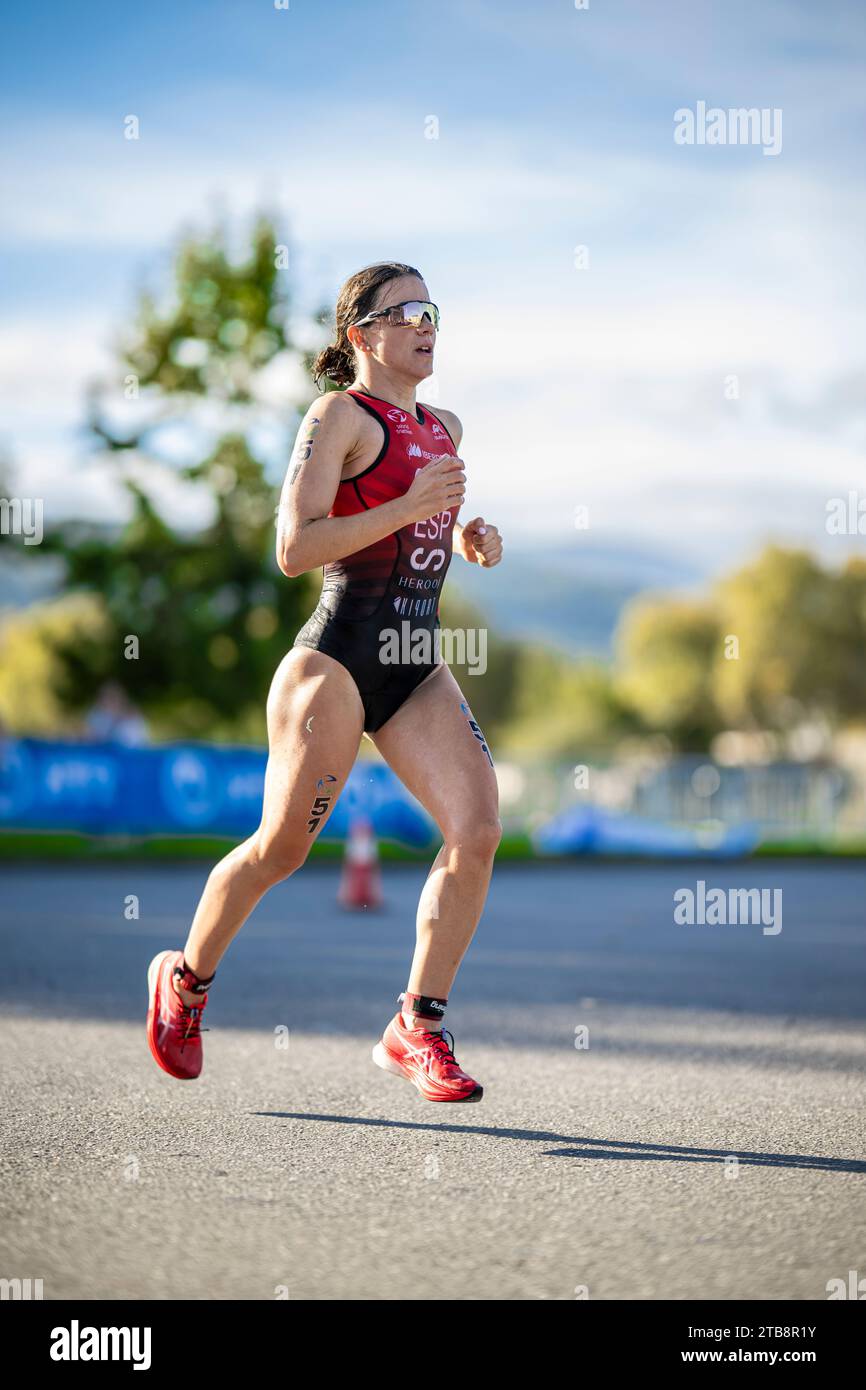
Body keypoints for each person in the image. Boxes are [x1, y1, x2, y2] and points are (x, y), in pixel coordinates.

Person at [146, 261, 504, 1102]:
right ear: (362, 333)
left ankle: (418, 1024)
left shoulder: (446, 427)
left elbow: (423, 528)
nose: (427, 325)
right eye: (407, 311)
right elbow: (296, 547)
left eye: (433, 310)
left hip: (416, 662)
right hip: (336, 660)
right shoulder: (337, 415)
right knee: (283, 848)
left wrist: (469, 539)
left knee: (478, 829)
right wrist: (412, 507)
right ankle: (186, 981)